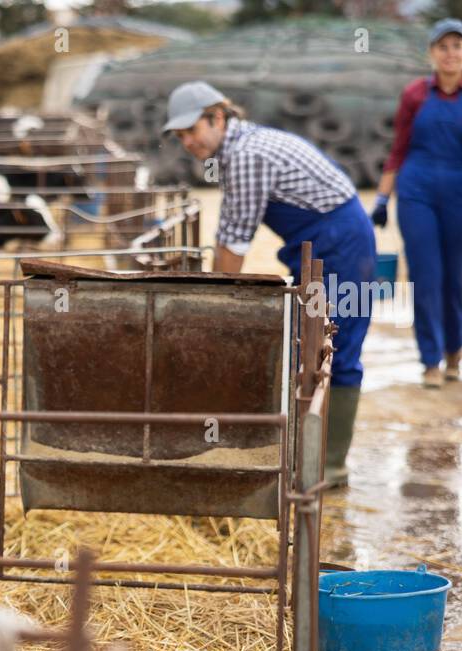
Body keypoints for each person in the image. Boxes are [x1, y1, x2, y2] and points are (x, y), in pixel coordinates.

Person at [161, 81, 376, 488]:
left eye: (192, 130)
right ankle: (303, 455)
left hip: (343, 245)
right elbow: (228, 234)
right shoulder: (238, 150)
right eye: (180, 136)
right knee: (305, 346)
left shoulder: (246, 154)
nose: (187, 141)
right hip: (320, 244)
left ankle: (329, 466)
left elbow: (234, 244)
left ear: (217, 117)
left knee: (335, 348)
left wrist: (219, 312)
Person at [372, 18, 462, 388]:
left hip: (459, 191)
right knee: (424, 276)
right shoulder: (414, 94)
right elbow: (399, 148)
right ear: (431, 53)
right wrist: (383, 196)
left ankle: (454, 351)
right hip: (416, 190)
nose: (450, 53)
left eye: (457, 46)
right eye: (442, 47)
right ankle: (430, 360)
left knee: (457, 276)